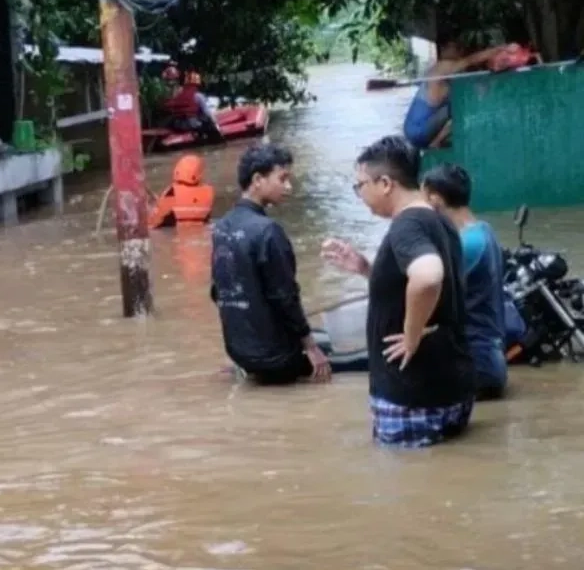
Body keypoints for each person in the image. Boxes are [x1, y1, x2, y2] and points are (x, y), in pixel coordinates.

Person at [322, 135, 476, 448]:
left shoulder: (406, 225)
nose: (360, 194)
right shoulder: (441, 222)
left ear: (385, 183)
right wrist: (367, 269)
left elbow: (429, 277)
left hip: (410, 397)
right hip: (454, 388)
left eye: (360, 185)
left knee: (402, 490)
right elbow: (433, 286)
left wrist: (411, 335)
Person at [211, 143, 366, 385]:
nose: (289, 187)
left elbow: (219, 292)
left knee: (319, 336)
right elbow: (285, 296)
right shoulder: (268, 232)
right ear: (257, 179)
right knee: (353, 358)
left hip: (240, 352)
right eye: (282, 179)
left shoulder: (222, 227)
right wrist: (312, 350)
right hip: (276, 359)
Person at [421, 164, 508, 399]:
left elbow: (426, 293)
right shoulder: (483, 230)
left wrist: (367, 271)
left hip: (477, 365)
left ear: (435, 199)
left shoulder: (466, 245)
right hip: (489, 358)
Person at [403, 33, 508, 149]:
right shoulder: (442, 67)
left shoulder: (446, 73)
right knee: (460, 105)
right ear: (444, 49)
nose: (459, 51)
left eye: (459, 48)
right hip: (419, 130)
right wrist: (500, 49)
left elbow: (475, 83)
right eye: (456, 47)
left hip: (413, 132)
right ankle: (436, 142)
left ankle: (437, 141)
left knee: (461, 101)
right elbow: (470, 60)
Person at [162, 65, 222, 143]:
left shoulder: (179, 93)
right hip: (190, 124)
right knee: (209, 123)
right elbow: (208, 114)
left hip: (176, 124)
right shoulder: (198, 96)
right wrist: (216, 124)